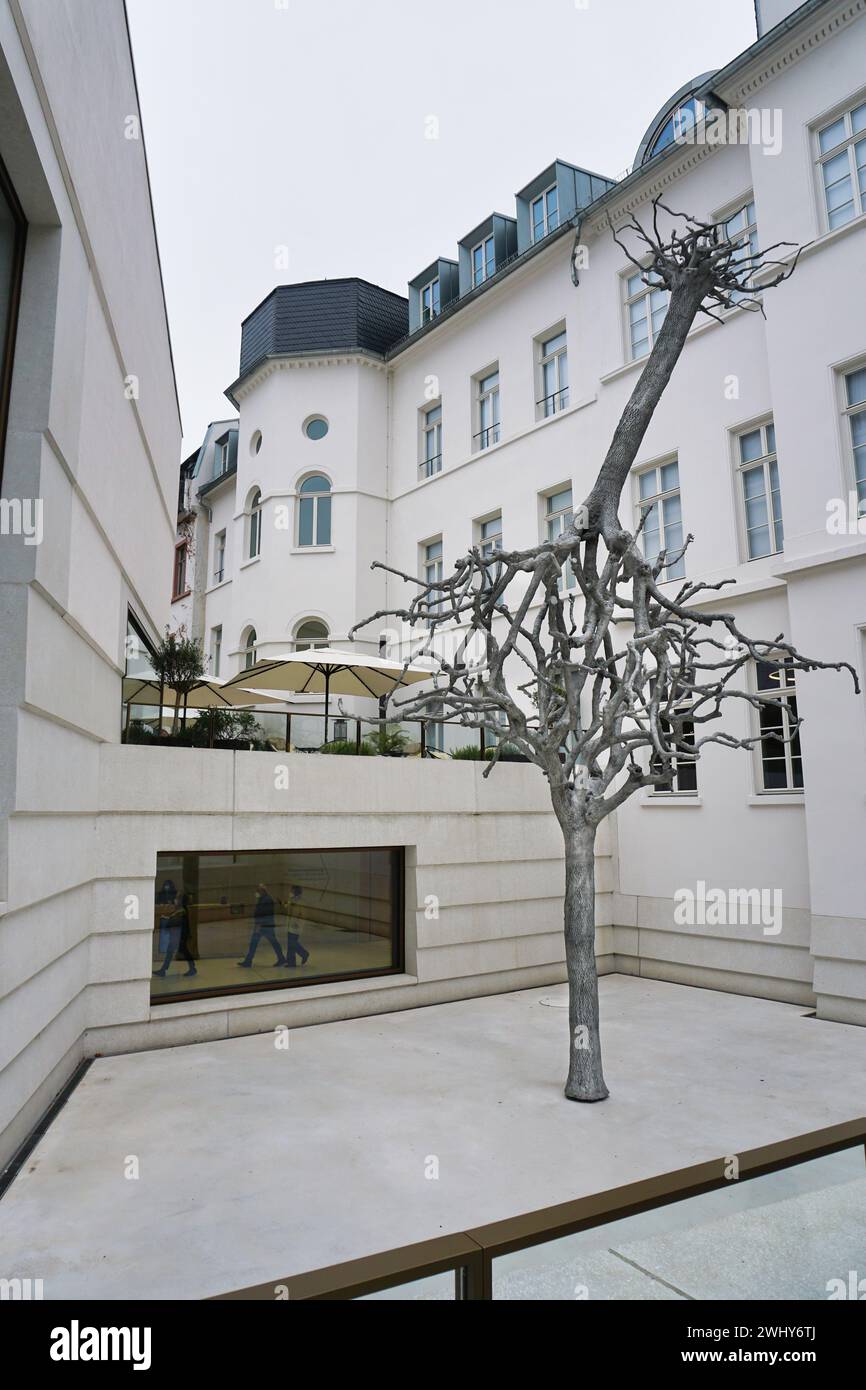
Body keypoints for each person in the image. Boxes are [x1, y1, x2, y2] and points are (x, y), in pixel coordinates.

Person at [238, 883, 286, 968]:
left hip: (263, 926)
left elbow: (264, 914)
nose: (256, 892)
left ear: (262, 891)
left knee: (255, 943)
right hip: (265, 925)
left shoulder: (266, 900)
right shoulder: (263, 899)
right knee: (271, 942)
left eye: (258, 890)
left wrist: (259, 925)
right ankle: (281, 958)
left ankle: (248, 961)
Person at [154, 891, 197, 978]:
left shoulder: (181, 911)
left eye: (177, 898)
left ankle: (192, 968)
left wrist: (166, 920)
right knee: (179, 952)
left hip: (179, 936)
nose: (175, 900)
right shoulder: (181, 910)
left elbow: (174, 922)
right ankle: (164, 969)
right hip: (178, 936)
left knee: (183, 952)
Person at [284, 884, 310, 967]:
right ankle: (291, 962)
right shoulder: (292, 900)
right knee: (290, 943)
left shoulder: (301, 902)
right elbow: (287, 908)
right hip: (290, 925)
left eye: (291, 891)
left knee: (292, 943)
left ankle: (304, 954)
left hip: (296, 926)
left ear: (295, 892)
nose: (290, 892)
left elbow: (304, 915)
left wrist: (298, 923)